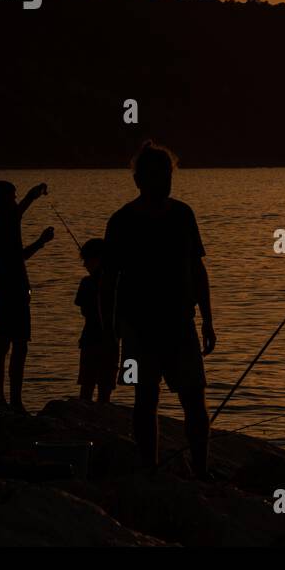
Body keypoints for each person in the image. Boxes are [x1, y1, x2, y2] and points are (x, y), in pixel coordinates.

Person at [103, 142, 216, 476]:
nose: (165, 181)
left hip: (181, 324)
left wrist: (208, 321)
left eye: (168, 174)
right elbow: (108, 281)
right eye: (158, 175)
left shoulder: (183, 215)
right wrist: (109, 330)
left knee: (194, 399)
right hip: (138, 328)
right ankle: (148, 468)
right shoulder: (121, 221)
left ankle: (201, 471)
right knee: (145, 399)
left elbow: (198, 270)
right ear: (139, 180)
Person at [0, 180, 54, 414]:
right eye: (12, 197)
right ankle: (12, 401)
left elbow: (19, 256)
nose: (15, 201)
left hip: (7, 294)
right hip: (13, 294)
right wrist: (37, 191)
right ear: (2, 200)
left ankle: (5, 399)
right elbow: (26, 202)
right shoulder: (5, 222)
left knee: (5, 345)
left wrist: (41, 242)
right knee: (16, 346)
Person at [75, 238, 118, 403]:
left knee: (87, 385)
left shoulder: (86, 282)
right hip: (109, 341)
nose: (84, 264)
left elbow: (83, 310)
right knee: (104, 387)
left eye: (87, 260)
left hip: (91, 339)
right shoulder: (116, 283)